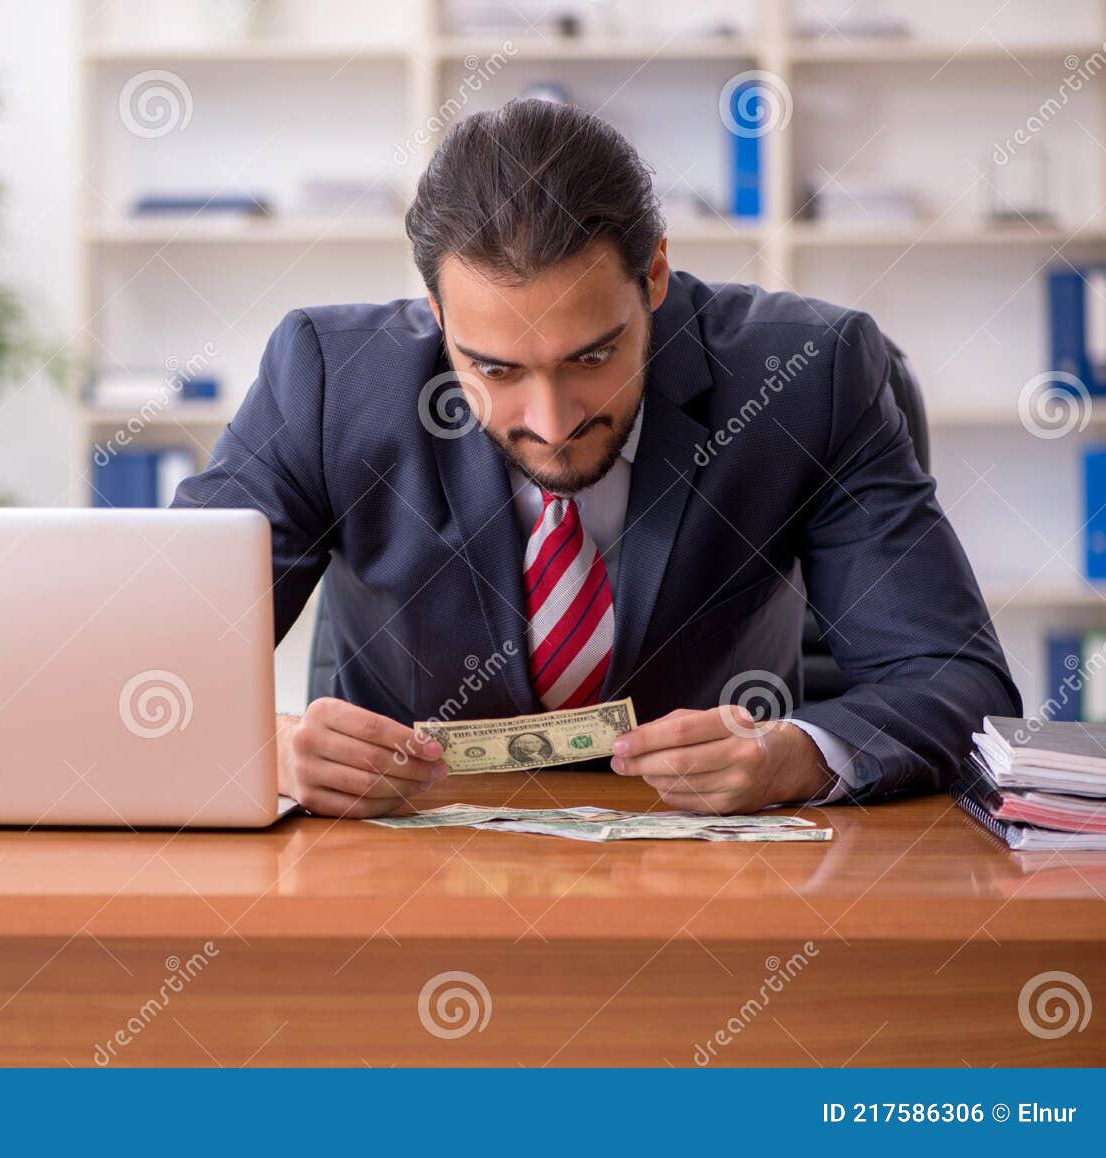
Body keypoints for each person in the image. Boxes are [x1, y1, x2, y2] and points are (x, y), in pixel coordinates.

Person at [172, 98, 1020, 819]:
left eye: (590, 357)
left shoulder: (808, 376)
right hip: (399, 858)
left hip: (700, 867)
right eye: (496, 369)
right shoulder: (330, 378)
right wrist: (268, 748)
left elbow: (957, 681)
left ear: (653, 275)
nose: (549, 422)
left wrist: (800, 755)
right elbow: (141, 655)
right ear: (437, 311)